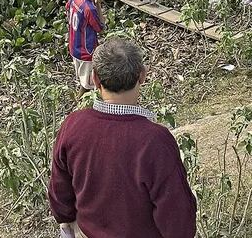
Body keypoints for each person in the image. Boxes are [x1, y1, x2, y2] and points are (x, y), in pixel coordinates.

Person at [48, 38, 197, 238]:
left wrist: (67, 220)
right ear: (142, 75)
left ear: (94, 79)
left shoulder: (73, 125)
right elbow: (178, 219)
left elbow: (60, 194)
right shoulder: (156, 141)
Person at [66, 0, 105, 99]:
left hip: (73, 45)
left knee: (82, 78)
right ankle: (79, 100)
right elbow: (100, 28)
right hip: (86, 51)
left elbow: (67, 8)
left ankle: (80, 98)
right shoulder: (89, 9)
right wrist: (98, 4)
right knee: (87, 84)